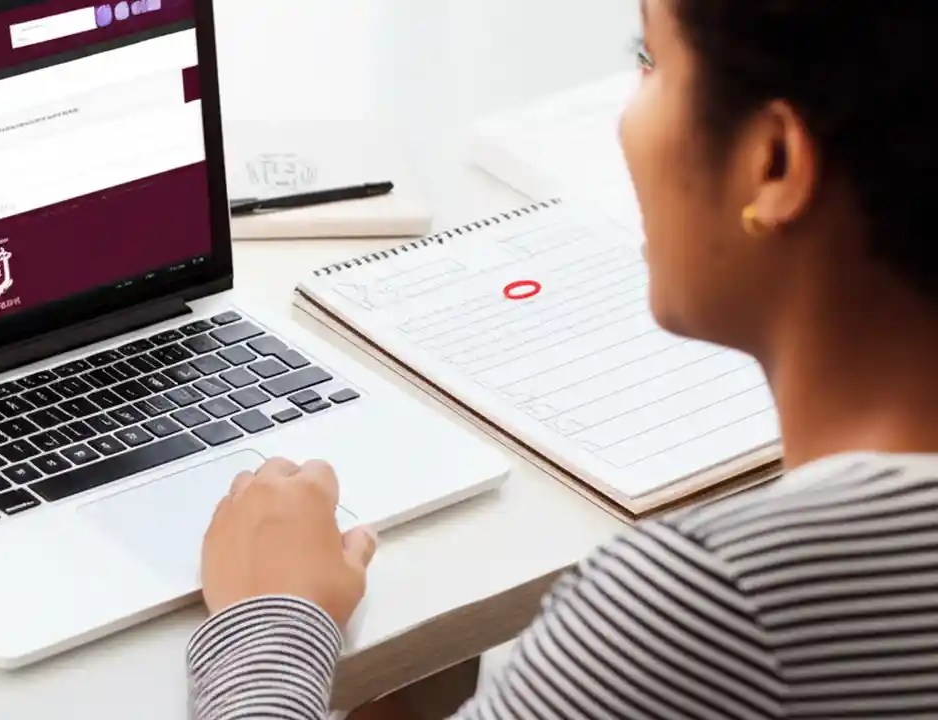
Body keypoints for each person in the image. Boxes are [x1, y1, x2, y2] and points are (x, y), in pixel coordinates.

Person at [187, 0, 938, 716]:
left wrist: (268, 620)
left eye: (650, 62)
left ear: (773, 163)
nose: (624, 114)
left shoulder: (716, 603)